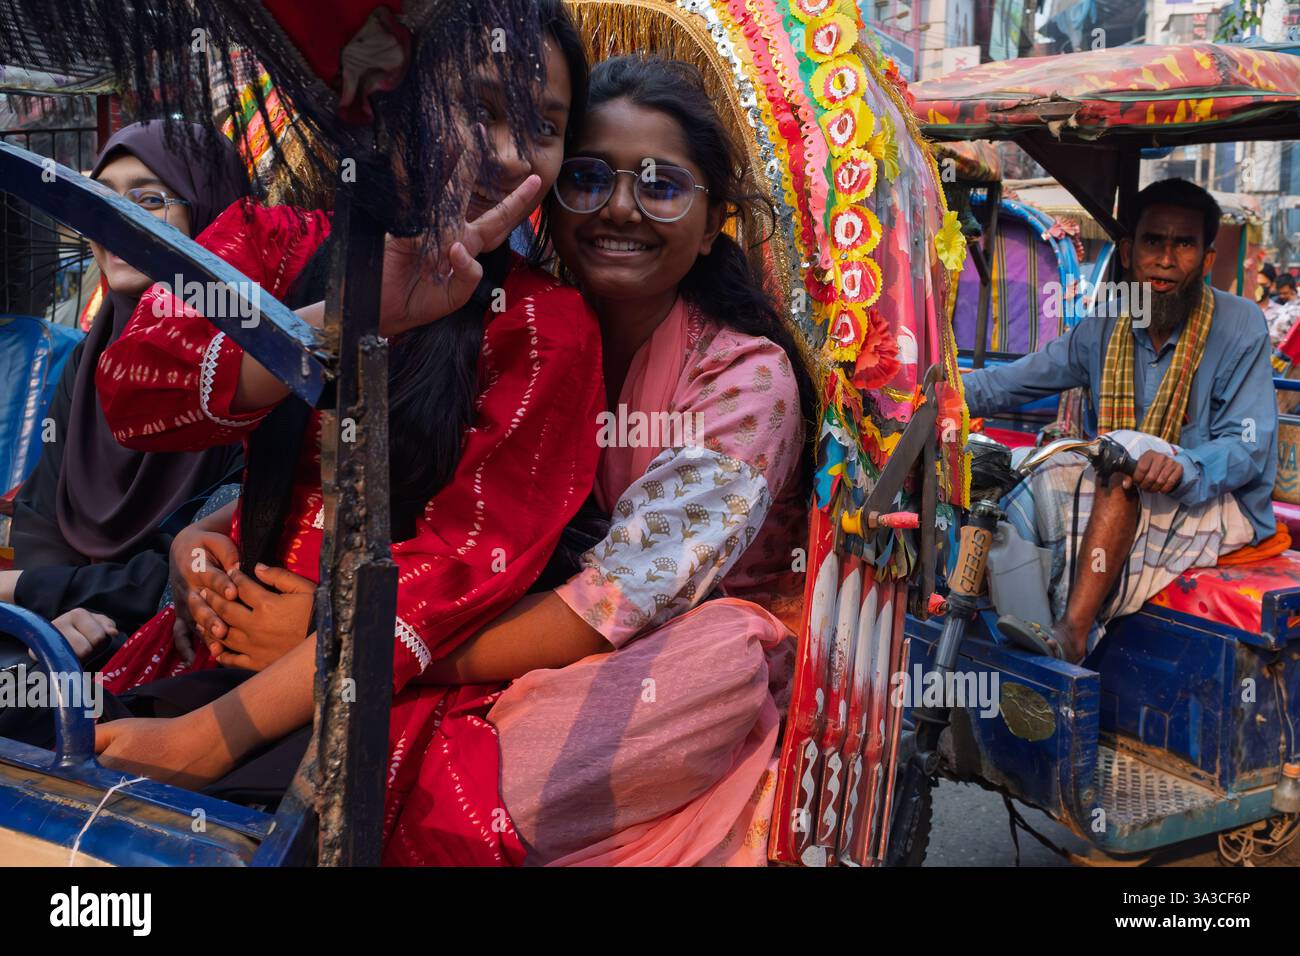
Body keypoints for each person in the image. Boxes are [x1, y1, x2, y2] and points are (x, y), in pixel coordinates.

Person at [42, 2, 603, 866]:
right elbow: (137, 386)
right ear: (400, 102)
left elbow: (464, 569)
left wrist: (212, 735)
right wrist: (344, 316)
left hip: (361, 700)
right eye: (480, 109)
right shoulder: (273, 242)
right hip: (205, 647)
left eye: (542, 127)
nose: (504, 151)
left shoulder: (544, 327)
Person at [422, 54, 816, 865]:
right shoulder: (519, 323)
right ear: (550, 199)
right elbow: (415, 462)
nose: (621, 209)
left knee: (724, 658)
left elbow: (618, 602)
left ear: (712, 224)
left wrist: (400, 653)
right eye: (589, 178)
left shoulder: (749, 378)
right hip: (493, 631)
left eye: (662, 186)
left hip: (654, 682)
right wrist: (216, 529)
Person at [964, 178, 1276, 663]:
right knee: (1020, 474)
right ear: (1129, 251)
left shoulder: (1240, 323)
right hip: (1122, 489)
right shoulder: (1106, 321)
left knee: (1123, 448)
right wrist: (941, 396)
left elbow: (1247, 446)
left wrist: (1184, 466)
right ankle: (1020, 639)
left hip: (1218, 499)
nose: (1166, 259)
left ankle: (1073, 634)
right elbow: (1016, 379)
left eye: (1184, 244)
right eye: (1154, 241)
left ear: (1207, 259)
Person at [0, 122, 248, 656]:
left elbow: (187, 570)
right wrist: (57, 611)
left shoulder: (251, 362)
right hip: (72, 626)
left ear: (212, 213)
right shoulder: (93, 361)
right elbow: (43, 516)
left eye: (150, 198)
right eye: (101, 199)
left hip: (196, 642)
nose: (116, 219)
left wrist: (36, 592)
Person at [1266, 272, 1300, 344]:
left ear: (1293, 289)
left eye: (1285, 293)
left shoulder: (1297, 306)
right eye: (1280, 293)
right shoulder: (1274, 302)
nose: (1282, 296)